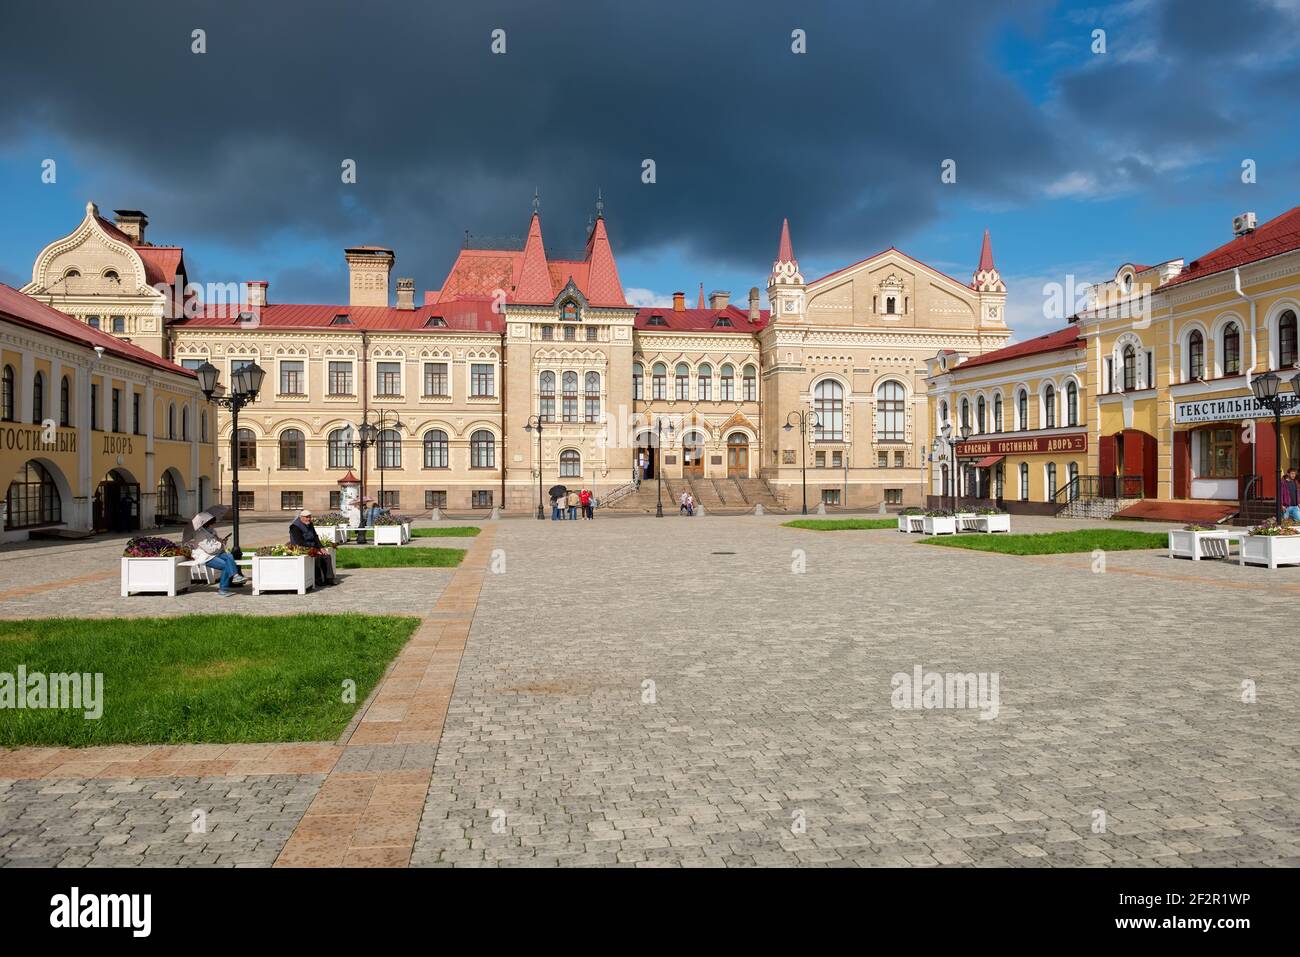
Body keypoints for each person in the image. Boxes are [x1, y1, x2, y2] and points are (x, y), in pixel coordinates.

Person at [188, 516, 246, 596]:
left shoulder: (212, 531)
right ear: (207, 524)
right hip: (206, 557)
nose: (214, 525)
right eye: (213, 523)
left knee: (229, 556)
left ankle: (235, 576)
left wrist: (221, 541)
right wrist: (220, 543)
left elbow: (216, 545)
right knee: (226, 566)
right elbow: (210, 549)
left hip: (216, 553)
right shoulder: (200, 535)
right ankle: (223, 589)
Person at [290, 509, 336, 586]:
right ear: (301, 517)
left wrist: (321, 547)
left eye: (310, 517)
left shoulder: (309, 524)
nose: (309, 519)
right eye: (306, 517)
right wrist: (314, 550)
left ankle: (329, 579)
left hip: (311, 546)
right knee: (317, 557)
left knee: (326, 556)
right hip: (301, 548)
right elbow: (299, 542)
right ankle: (318, 579)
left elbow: (315, 536)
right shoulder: (295, 527)